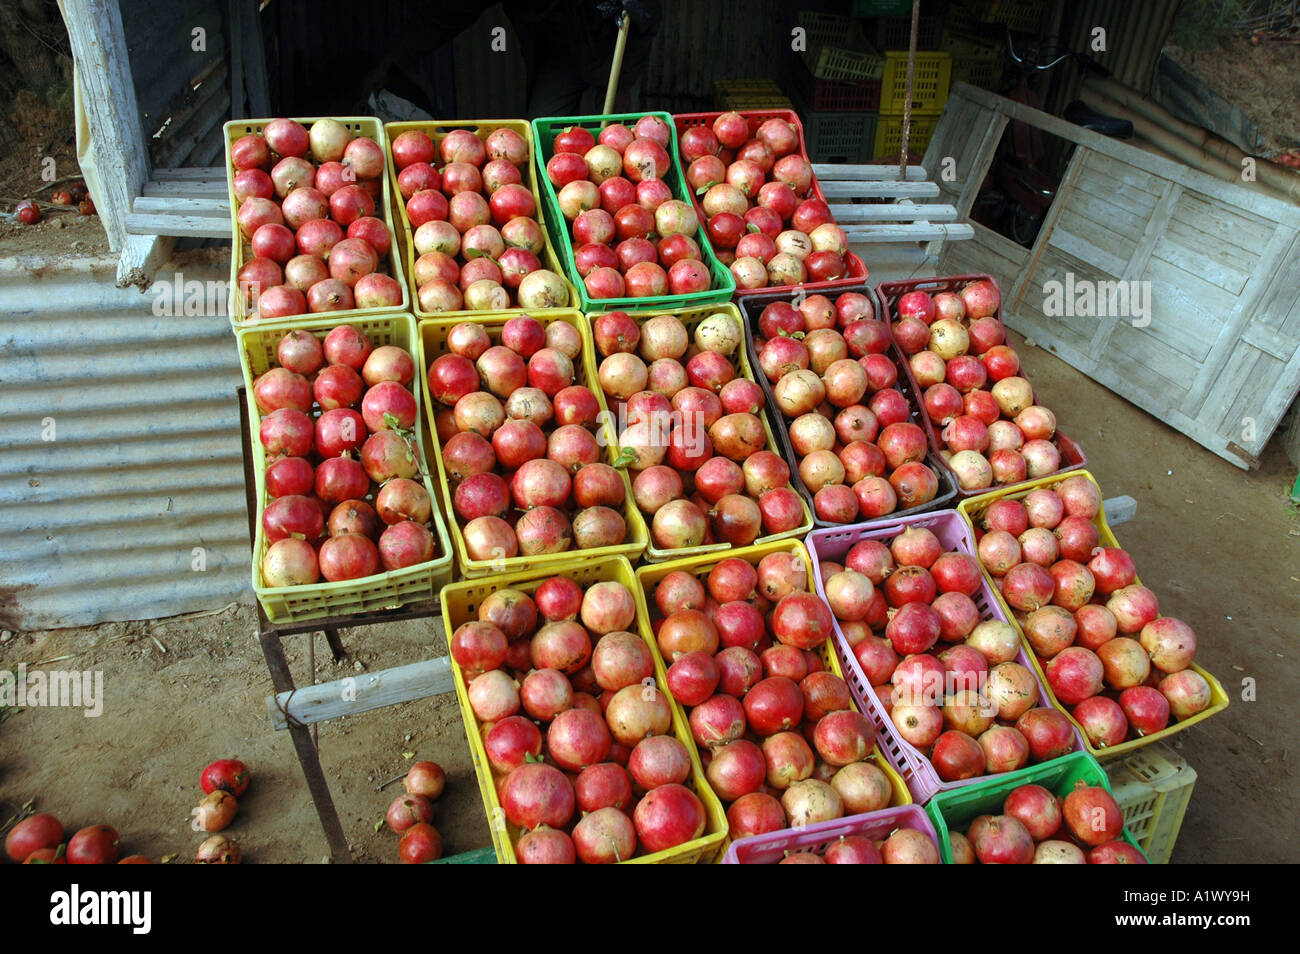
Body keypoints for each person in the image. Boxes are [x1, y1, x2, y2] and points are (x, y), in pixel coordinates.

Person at [506, 0, 663, 117]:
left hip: (615, 55)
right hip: (565, 55)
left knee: (614, 135)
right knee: (541, 124)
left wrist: (624, 82)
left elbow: (648, 20)